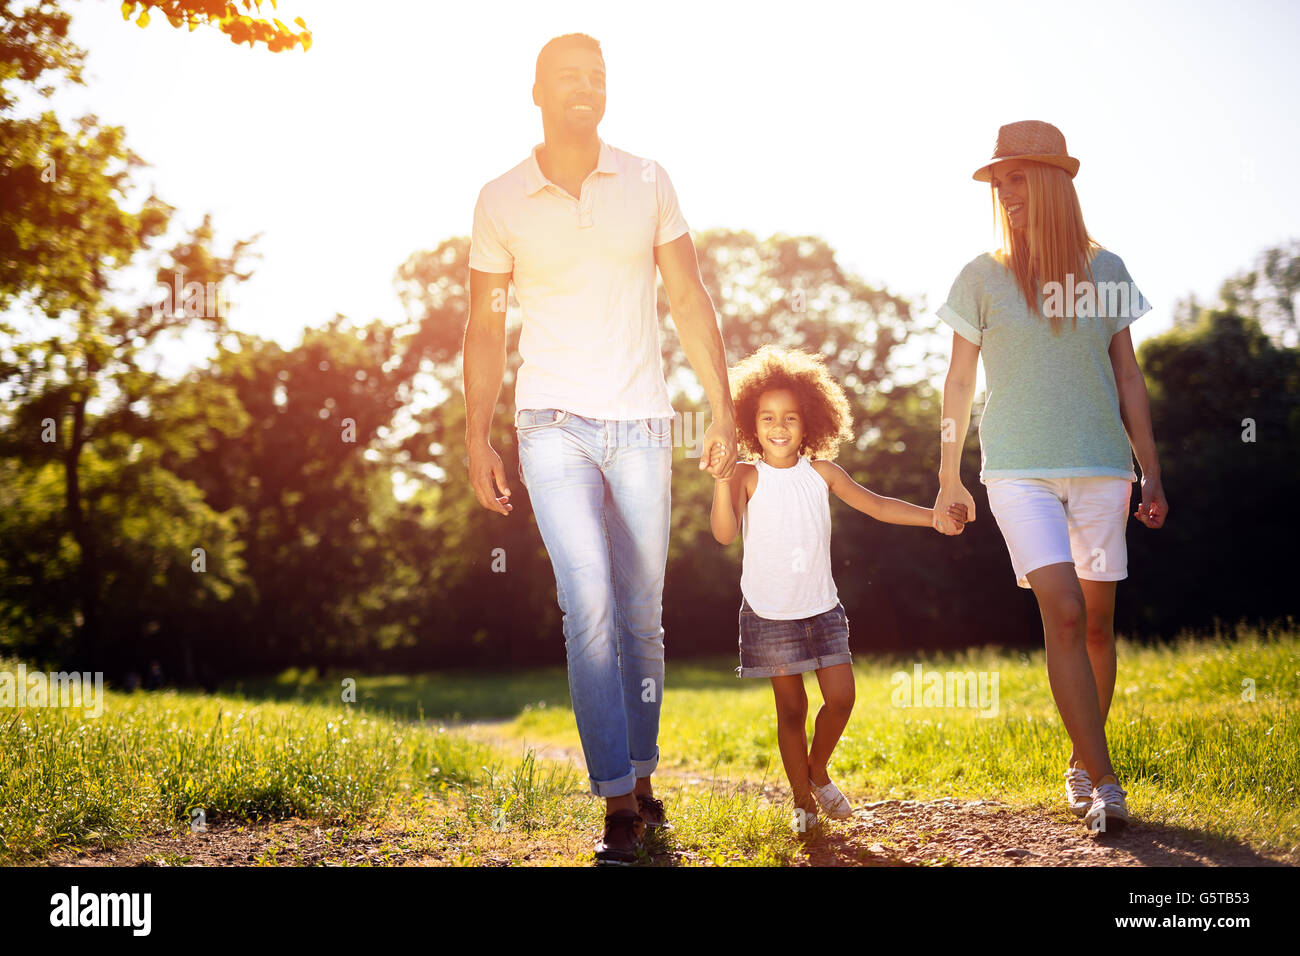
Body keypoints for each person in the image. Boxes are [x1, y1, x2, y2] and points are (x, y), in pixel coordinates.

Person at [463, 33, 737, 865]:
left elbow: (688, 298)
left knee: (642, 613)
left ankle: (642, 773)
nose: (586, 87)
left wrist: (721, 408)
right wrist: (476, 433)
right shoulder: (500, 198)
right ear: (537, 90)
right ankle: (616, 800)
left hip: (644, 426)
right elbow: (483, 326)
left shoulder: (648, 179)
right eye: (569, 77)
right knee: (586, 605)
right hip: (550, 424)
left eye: (598, 77)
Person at [933, 120, 1169, 832]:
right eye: (998, 182)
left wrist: (1151, 473)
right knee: (1063, 611)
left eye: (1017, 179)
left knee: (1098, 626)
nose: (1005, 194)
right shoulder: (980, 274)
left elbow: (1128, 374)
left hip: (1103, 466)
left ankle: (1078, 759)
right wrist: (949, 475)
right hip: (1017, 470)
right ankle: (1105, 781)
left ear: (1052, 182)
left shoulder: (1108, 270)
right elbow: (956, 380)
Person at [709, 345, 967, 831]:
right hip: (768, 614)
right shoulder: (746, 475)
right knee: (792, 709)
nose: (779, 427)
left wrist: (933, 518)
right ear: (750, 424)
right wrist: (721, 483)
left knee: (842, 697)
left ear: (809, 423)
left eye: (790, 417)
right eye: (767, 418)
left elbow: (878, 505)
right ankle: (803, 801)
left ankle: (817, 768)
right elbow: (723, 534)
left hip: (822, 609)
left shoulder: (822, 472)